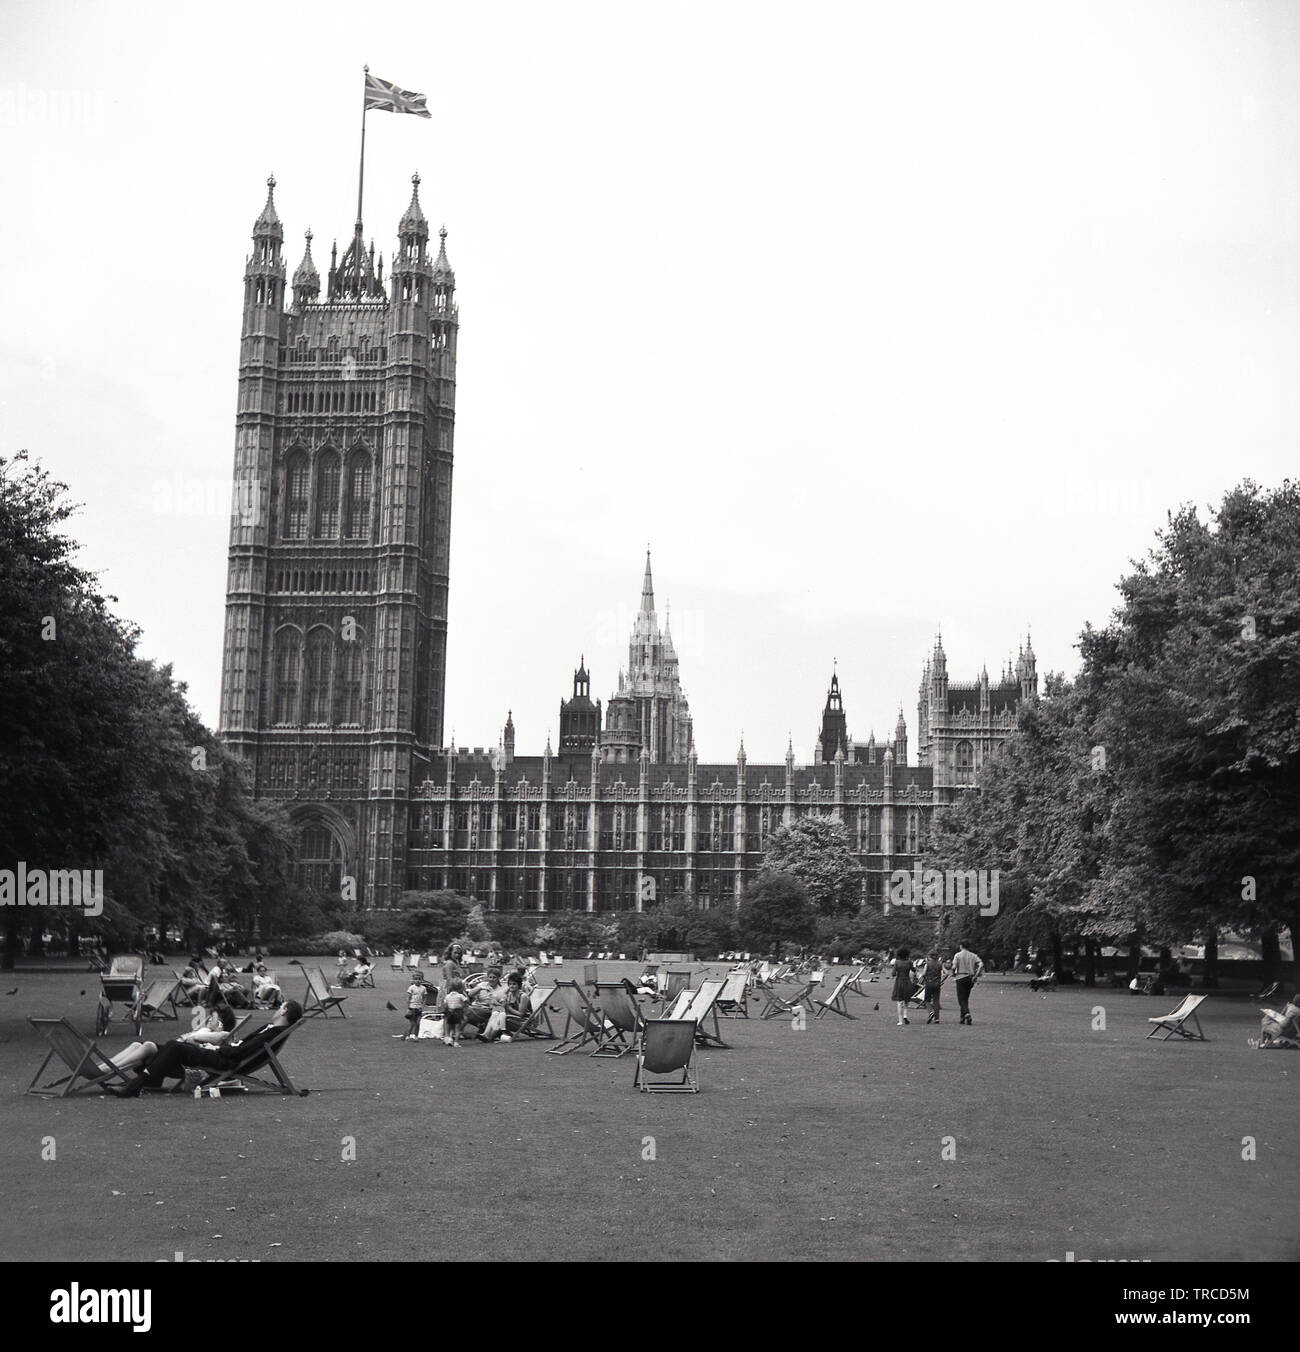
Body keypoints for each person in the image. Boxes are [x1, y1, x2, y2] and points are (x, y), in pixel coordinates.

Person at [114, 1002, 304, 1095]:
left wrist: (216, 1049)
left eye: (280, 1006)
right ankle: (150, 1081)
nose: (277, 1009)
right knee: (160, 1048)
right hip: (225, 1055)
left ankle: (137, 1084)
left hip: (226, 1060)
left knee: (174, 1047)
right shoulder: (273, 1030)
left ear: (284, 1011)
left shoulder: (274, 1032)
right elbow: (243, 1048)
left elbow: (241, 1052)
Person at [951, 938, 985, 1025]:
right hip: (970, 978)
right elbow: (981, 964)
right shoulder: (973, 955)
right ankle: (962, 1018)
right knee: (965, 998)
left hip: (960, 977)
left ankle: (967, 1014)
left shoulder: (957, 955)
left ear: (961, 946)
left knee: (961, 999)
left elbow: (954, 967)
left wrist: (953, 973)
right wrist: (976, 975)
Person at [441, 978, 468, 1046]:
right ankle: (456, 1042)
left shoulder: (448, 996)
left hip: (450, 1012)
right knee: (457, 1028)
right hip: (457, 1012)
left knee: (449, 1025)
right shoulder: (460, 995)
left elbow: (445, 1004)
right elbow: (466, 1001)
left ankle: (448, 1038)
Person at [890, 948, 913, 1026]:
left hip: (899, 982)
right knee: (906, 1000)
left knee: (899, 1001)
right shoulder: (909, 962)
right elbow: (913, 970)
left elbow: (893, 973)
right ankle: (905, 1015)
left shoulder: (897, 962)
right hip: (907, 982)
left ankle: (900, 1020)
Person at [403, 970, 428, 1040]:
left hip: (419, 1007)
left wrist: (423, 1006)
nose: (417, 981)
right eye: (416, 979)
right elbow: (408, 997)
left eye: (419, 979)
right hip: (412, 1007)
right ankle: (408, 1035)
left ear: (422, 979)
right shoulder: (411, 988)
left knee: (418, 1023)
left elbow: (425, 998)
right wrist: (408, 1007)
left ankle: (416, 1036)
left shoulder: (423, 988)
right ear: (413, 980)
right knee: (412, 1023)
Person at [922, 949, 945, 1024]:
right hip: (937, 984)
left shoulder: (927, 964)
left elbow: (924, 974)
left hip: (929, 983)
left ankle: (930, 1012)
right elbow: (946, 973)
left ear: (930, 956)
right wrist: (941, 980)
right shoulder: (940, 964)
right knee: (936, 1000)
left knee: (927, 1000)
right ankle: (937, 1019)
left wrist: (925, 980)